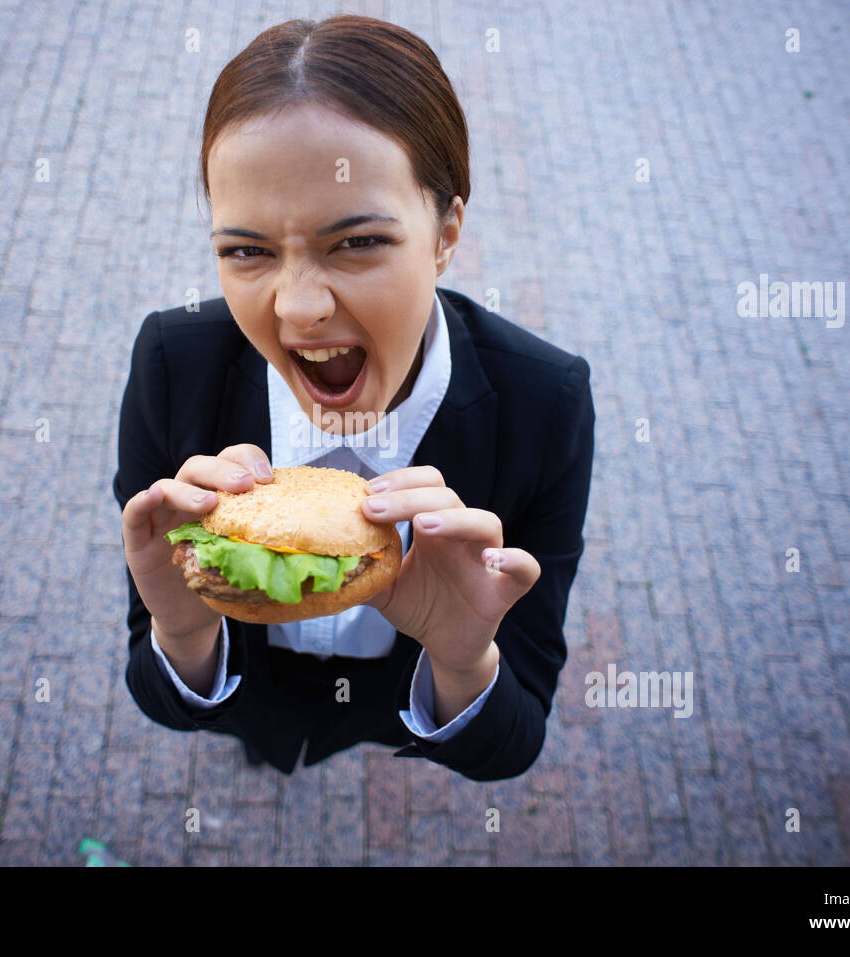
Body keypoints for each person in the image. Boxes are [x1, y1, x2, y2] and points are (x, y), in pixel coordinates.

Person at [113, 15, 594, 782]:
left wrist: (463, 661)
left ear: (445, 232)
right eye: (246, 251)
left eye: (357, 242)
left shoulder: (545, 403)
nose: (299, 309)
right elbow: (159, 687)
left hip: (391, 708)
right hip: (254, 700)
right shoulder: (173, 364)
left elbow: (516, 734)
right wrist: (184, 635)